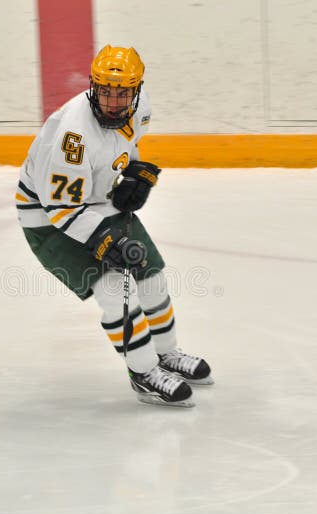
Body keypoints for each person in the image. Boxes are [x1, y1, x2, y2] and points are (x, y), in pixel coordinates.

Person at [16, 45, 214, 408]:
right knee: (114, 293)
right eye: (105, 90)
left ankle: (167, 355)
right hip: (49, 217)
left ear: (136, 90)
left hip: (93, 199)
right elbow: (60, 208)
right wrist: (105, 240)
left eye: (122, 92)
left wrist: (135, 170)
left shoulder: (141, 107)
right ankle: (143, 373)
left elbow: (126, 144)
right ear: (93, 86)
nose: (112, 100)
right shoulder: (71, 138)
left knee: (151, 277)